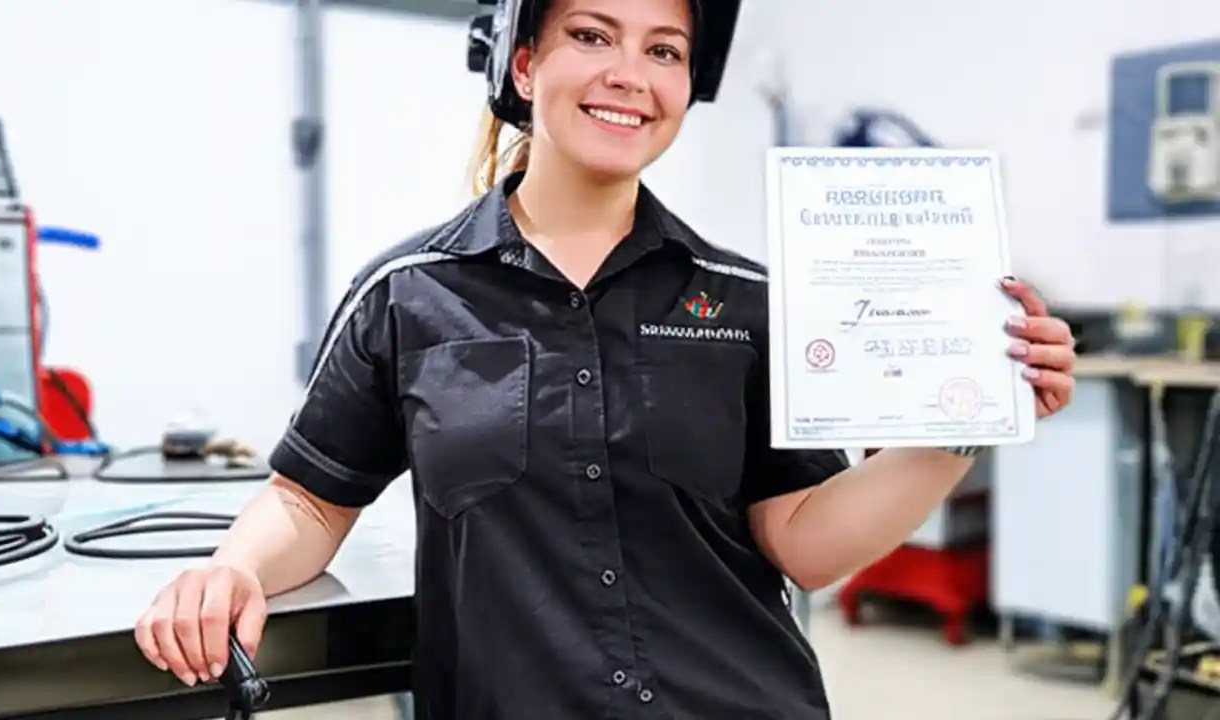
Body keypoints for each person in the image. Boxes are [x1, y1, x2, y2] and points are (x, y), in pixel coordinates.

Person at [133, 0, 1077, 717]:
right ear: (526, 57)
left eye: (664, 50)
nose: (631, 72)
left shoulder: (743, 300)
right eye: (592, 35)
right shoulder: (408, 294)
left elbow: (803, 539)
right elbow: (309, 498)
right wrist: (235, 569)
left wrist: (962, 427)